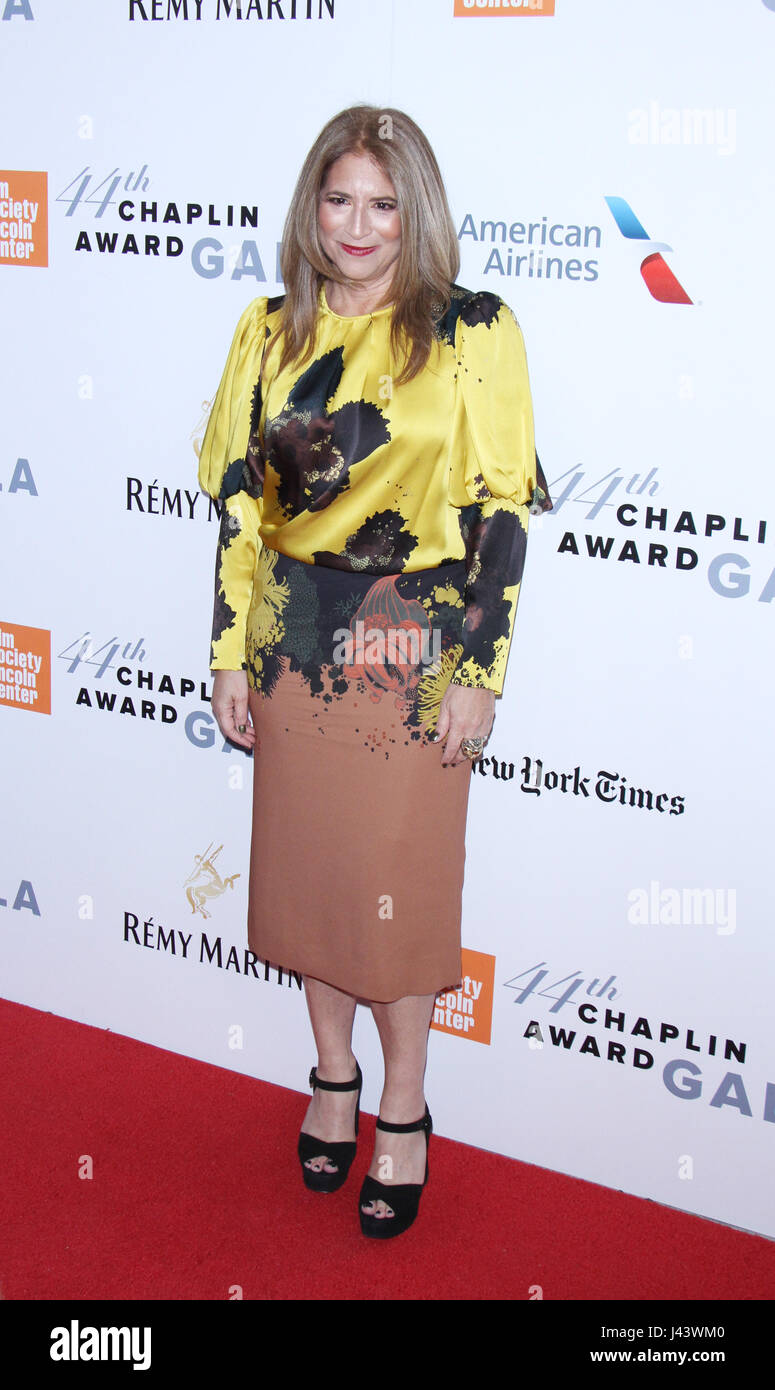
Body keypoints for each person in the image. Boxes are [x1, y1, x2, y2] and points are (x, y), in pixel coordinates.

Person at [198, 104, 552, 1239]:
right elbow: (241, 514)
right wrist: (226, 654)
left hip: (412, 644)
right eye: (339, 198)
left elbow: (500, 510)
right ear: (313, 205)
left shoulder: (469, 330)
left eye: (384, 203)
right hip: (292, 640)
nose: (358, 224)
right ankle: (332, 1077)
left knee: (391, 897)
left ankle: (404, 1104)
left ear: (418, 213)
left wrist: (479, 669)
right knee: (313, 885)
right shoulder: (267, 331)